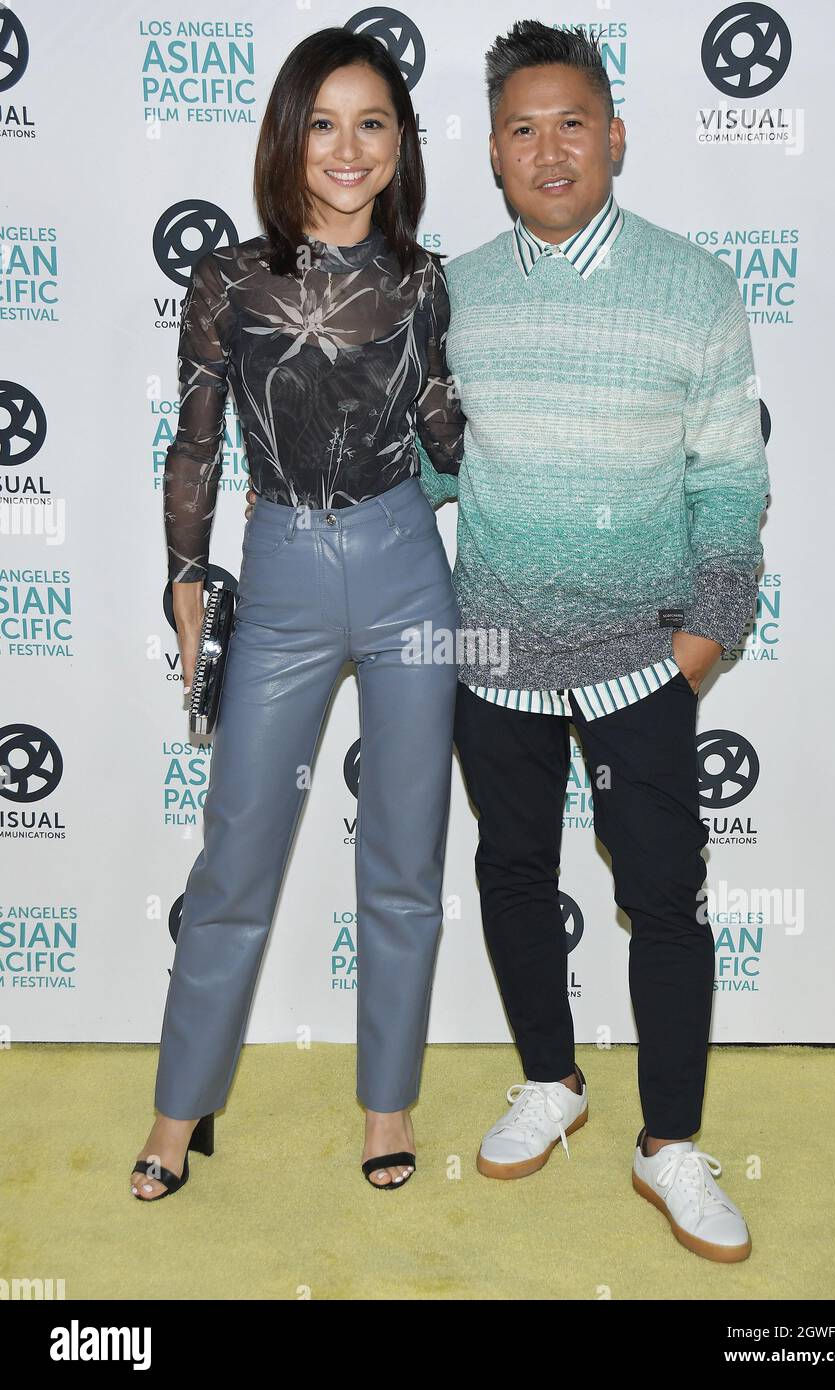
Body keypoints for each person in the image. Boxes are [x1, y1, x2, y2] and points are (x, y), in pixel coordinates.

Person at [415, 20, 770, 1262]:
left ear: (615, 136)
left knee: (664, 896)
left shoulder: (695, 284)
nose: (548, 148)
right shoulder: (451, 291)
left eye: (572, 123)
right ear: (495, 153)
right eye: (521, 128)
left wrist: (703, 640)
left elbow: (730, 478)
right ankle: (552, 1081)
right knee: (513, 873)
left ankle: (669, 1143)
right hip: (496, 650)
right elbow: (426, 466)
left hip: (643, 656)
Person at [130, 25, 464, 1200]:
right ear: (287, 136)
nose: (347, 147)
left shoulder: (427, 282)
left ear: (400, 145)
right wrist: (185, 575)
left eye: (372, 123)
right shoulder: (226, 277)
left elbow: (444, 440)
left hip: (409, 567)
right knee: (235, 862)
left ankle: (388, 1107)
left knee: (407, 860)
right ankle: (179, 1114)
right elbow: (197, 437)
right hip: (277, 569)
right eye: (323, 122)